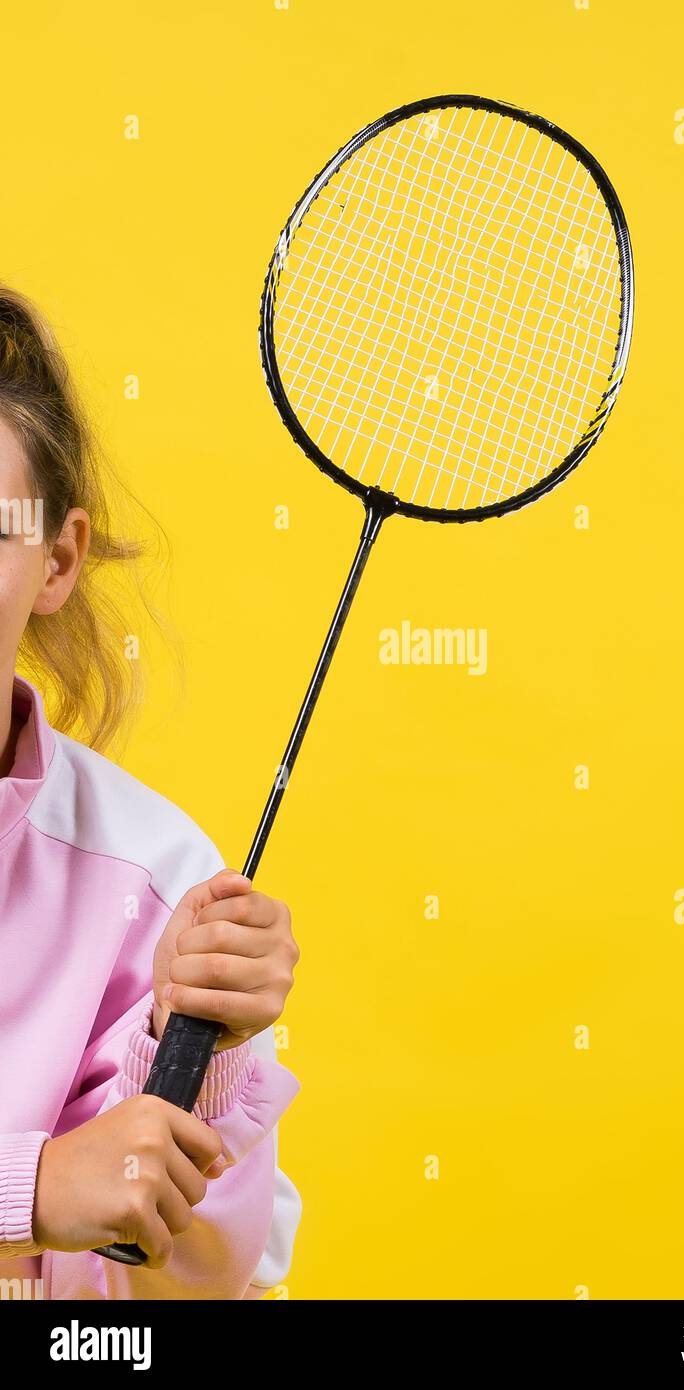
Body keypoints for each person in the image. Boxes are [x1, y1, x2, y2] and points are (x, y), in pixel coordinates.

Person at [0, 285, 301, 1299]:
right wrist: (29, 1188)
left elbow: (156, 1310)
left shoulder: (156, 875)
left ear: (59, 558)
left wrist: (201, 1057)